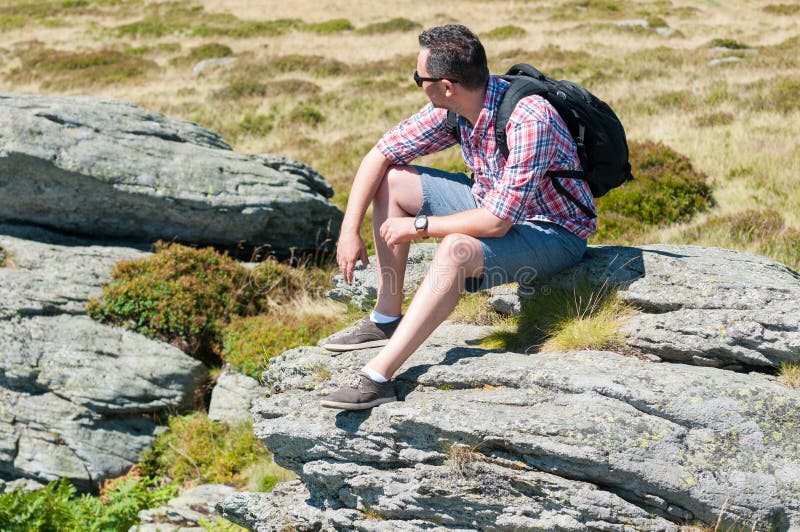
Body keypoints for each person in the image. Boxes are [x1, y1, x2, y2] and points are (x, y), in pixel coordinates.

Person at [319, 24, 595, 410]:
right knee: (393, 181)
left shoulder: (529, 120)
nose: (417, 82)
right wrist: (349, 231)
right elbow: (380, 154)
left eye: (420, 78)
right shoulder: (458, 106)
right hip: (490, 201)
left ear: (446, 85)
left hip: (551, 231)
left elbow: (498, 222)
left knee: (455, 250)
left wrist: (418, 226)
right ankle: (386, 316)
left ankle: (378, 376)